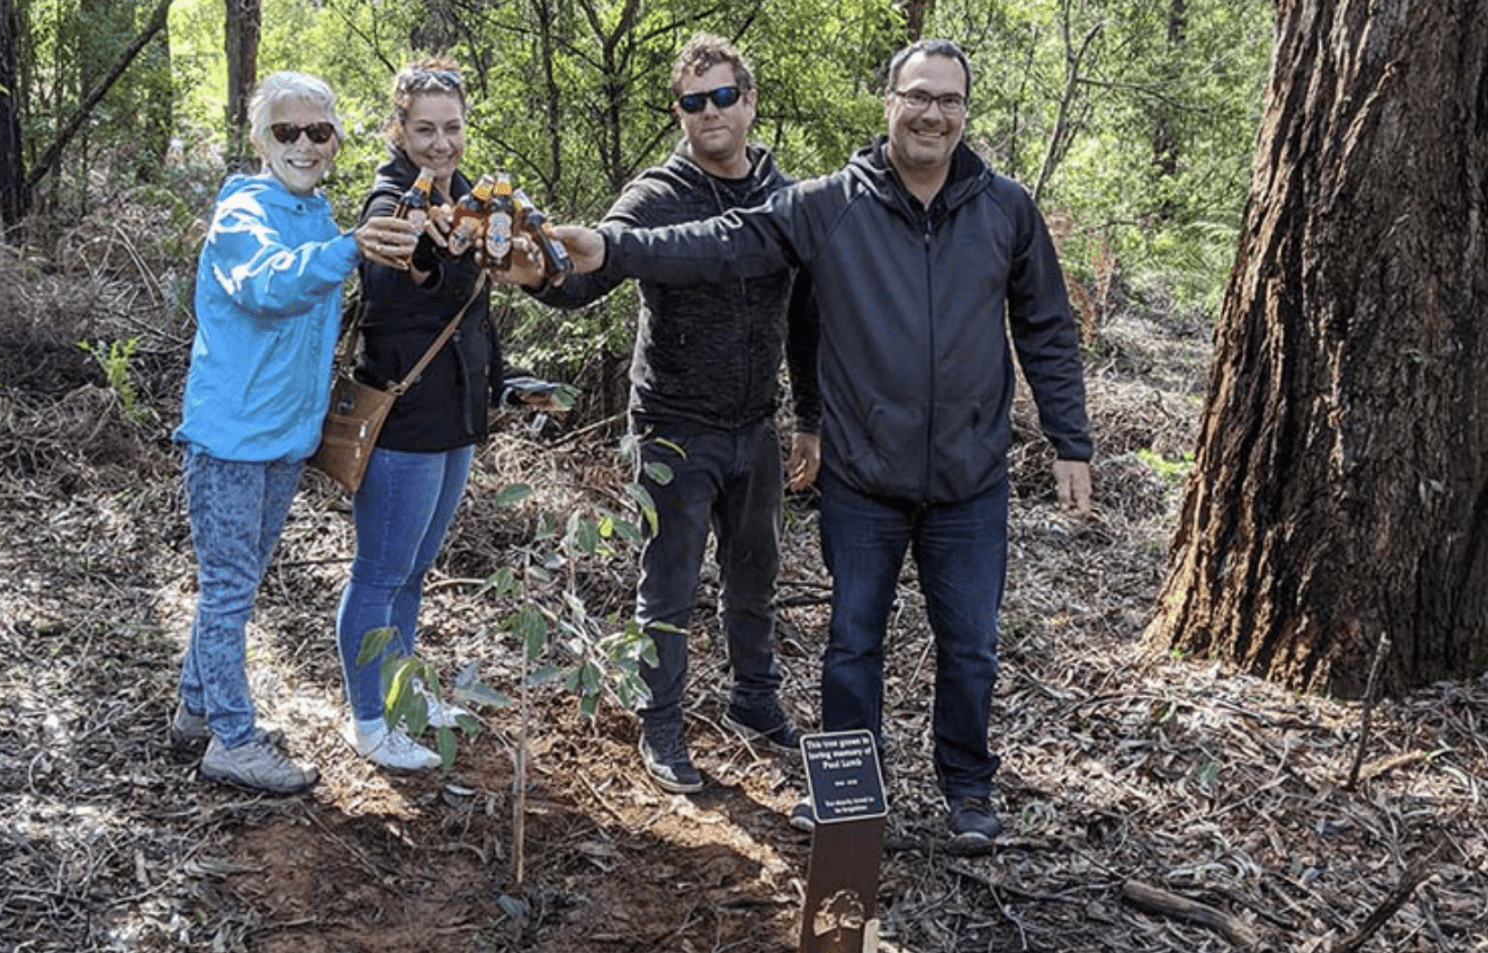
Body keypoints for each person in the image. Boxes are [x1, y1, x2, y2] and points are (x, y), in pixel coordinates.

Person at [552, 39, 1093, 843]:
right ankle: (847, 789)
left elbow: (1046, 325)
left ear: (965, 112)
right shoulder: (831, 203)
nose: (931, 114)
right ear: (889, 103)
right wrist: (615, 249)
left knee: (972, 647)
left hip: (971, 476)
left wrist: (1069, 438)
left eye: (948, 101)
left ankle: (969, 790)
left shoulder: (1005, 207)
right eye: (917, 97)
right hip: (863, 474)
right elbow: (724, 239)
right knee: (851, 645)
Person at [526, 34, 820, 793]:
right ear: (679, 113)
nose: (711, 112)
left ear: (750, 102)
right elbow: (589, 272)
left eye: (724, 96)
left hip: (755, 425)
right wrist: (536, 271)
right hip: (672, 428)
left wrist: (808, 419)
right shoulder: (657, 194)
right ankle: (660, 722)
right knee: (670, 584)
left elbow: (807, 317)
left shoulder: (783, 198)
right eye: (694, 102)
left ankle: (755, 699)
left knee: (755, 575)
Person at [170, 71, 420, 795]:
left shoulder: (316, 213)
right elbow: (265, 283)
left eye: (319, 131)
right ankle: (233, 740)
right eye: (288, 131)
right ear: (260, 139)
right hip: (229, 441)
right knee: (227, 593)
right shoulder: (245, 210)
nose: (305, 145)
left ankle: (197, 707)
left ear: (337, 139)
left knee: (237, 583)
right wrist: (350, 249)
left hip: (284, 438)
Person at [334, 56, 560, 771]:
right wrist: (422, 251)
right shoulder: (392, 202)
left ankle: (402, 695)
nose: (440, 142)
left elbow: (479, 308)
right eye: (424, 128)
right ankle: (368, 719)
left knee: (414, 569)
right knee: (379, 571)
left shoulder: (473, 197)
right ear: (398, 129)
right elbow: (395, 259)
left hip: (459, 410)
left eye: (452, 127)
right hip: (405, 415)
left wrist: (501, 382)